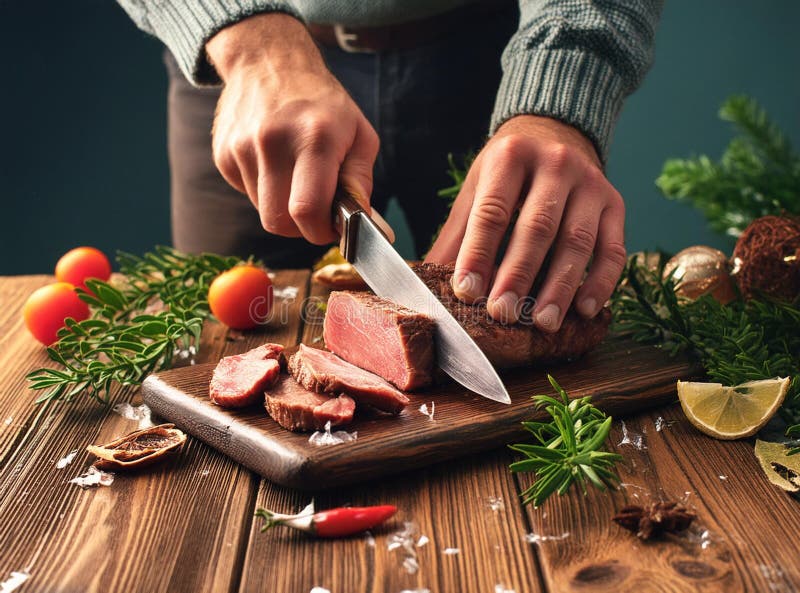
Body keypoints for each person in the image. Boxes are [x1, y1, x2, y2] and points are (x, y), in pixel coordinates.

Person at [118, 0, 662, 332]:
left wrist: (561, 92)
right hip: (243, 68)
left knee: (523, 306)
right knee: (221, 333)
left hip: (500, 58)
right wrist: (255, 46)